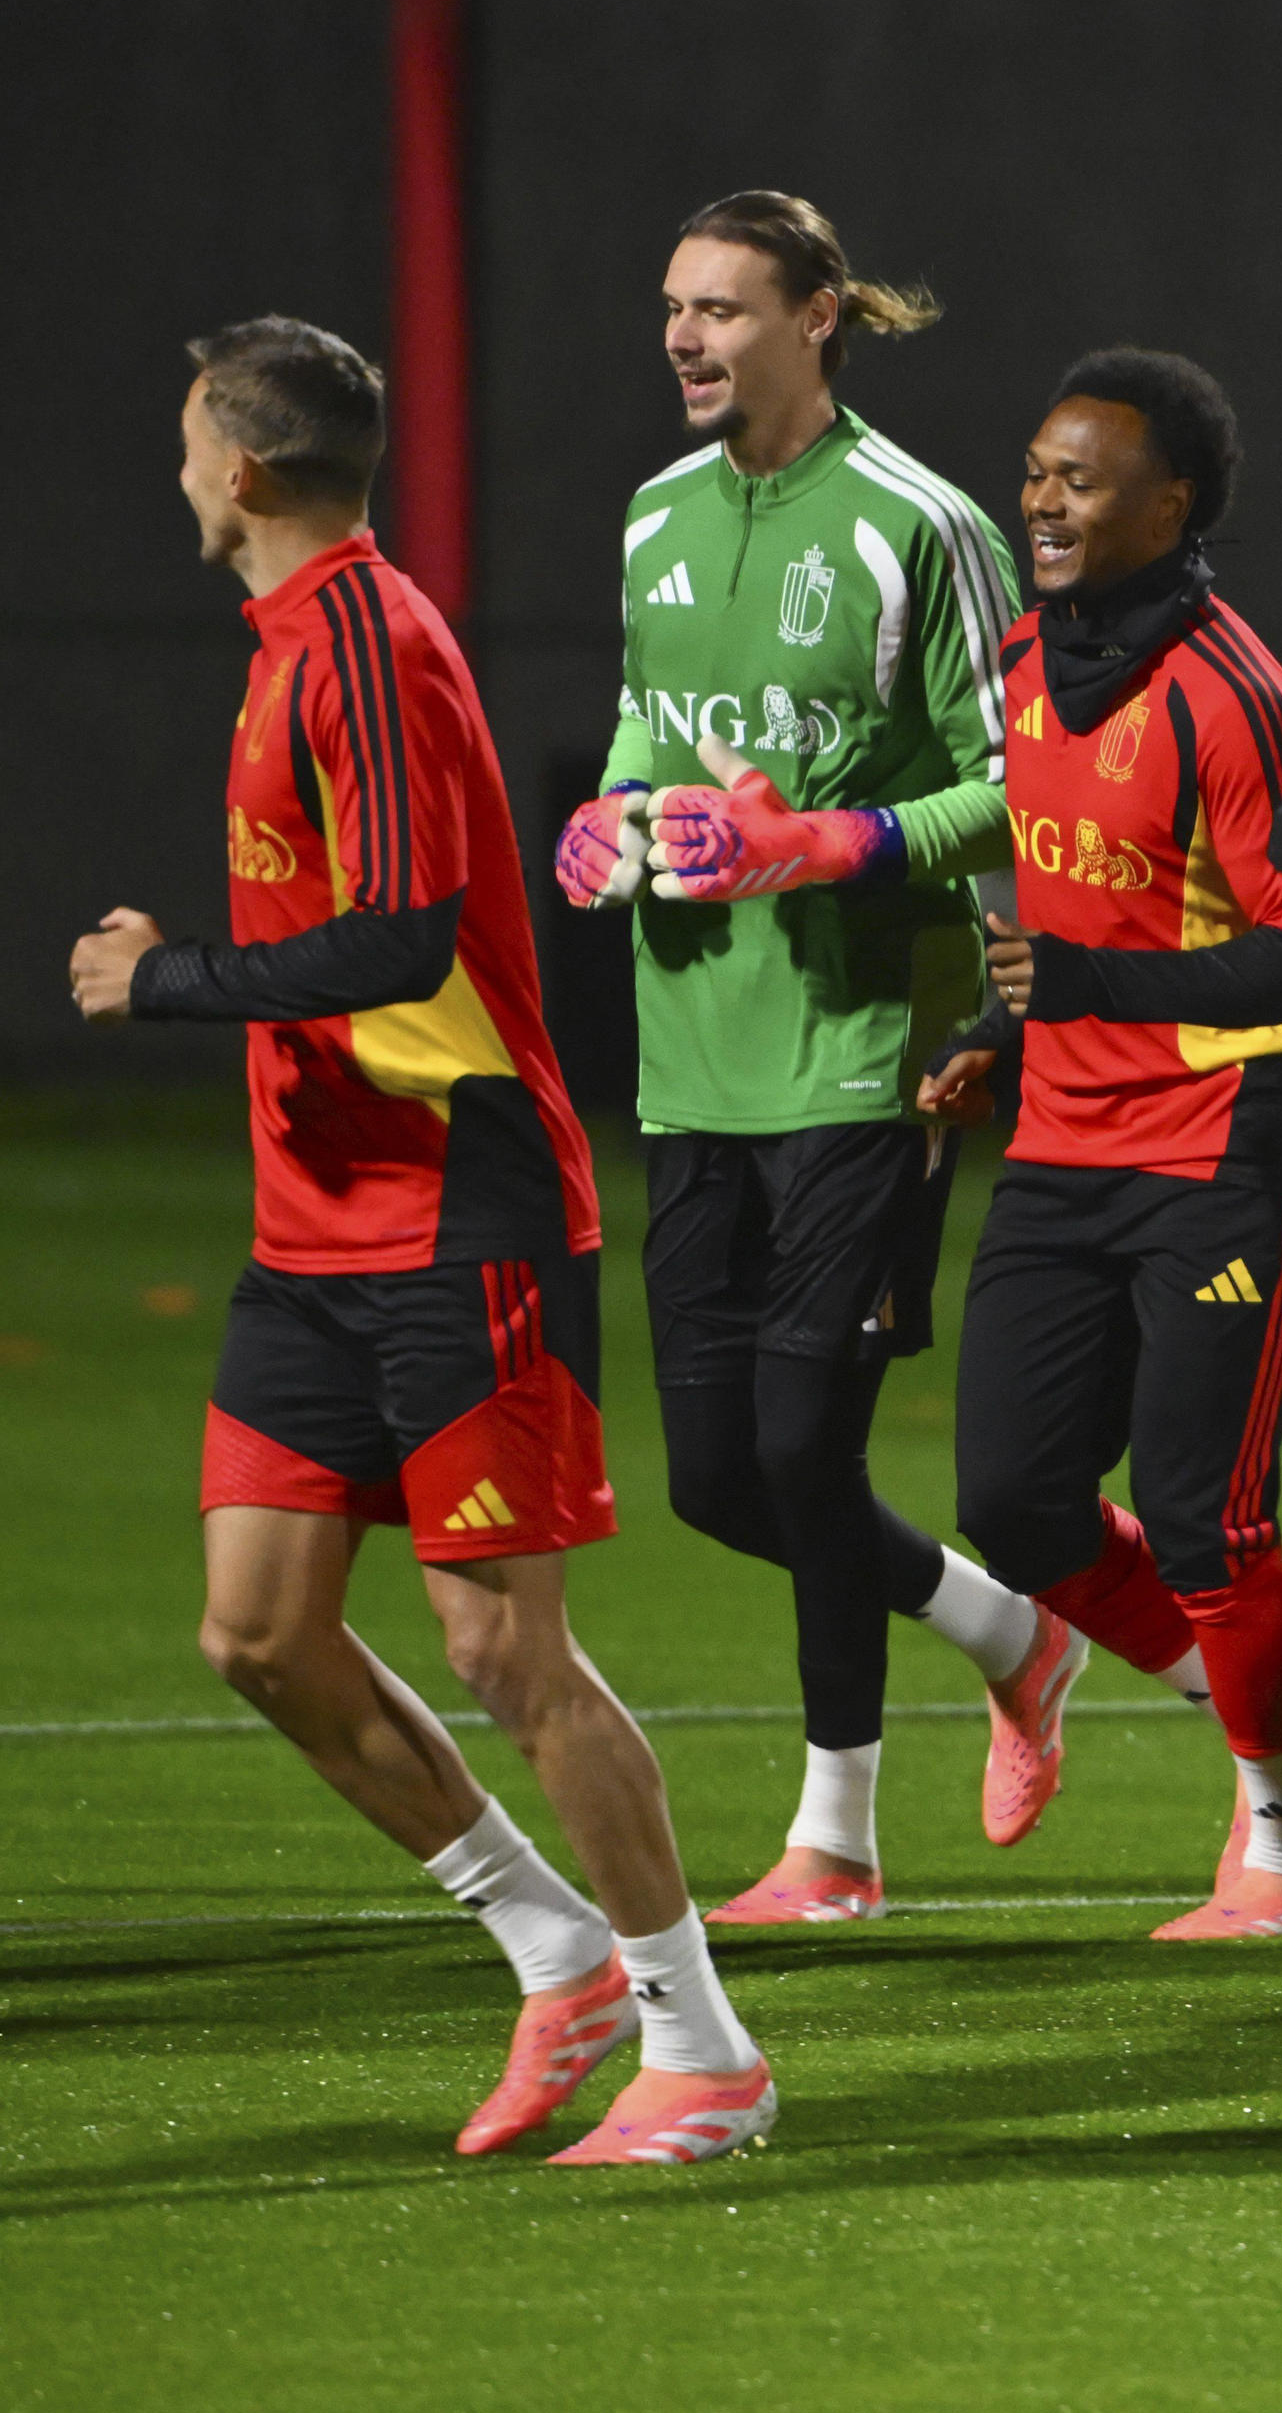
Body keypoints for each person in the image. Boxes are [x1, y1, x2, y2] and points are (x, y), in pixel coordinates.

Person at [77, 319, 771, 2162]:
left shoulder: (371, 645)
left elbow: (395, 938)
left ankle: (702, 2048)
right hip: (316, 1231)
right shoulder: (289, 644)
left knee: (504, 1652)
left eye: (182, 446)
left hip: (458, 1213)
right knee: (256, 1632)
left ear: (241, 471)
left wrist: (169, 984)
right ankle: (550, 1948)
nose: (173, 477)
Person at [549, 190, 1080, 1925]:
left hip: (869, 1051)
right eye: (671, 307)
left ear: (819, 314)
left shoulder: (919, 527)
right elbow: (654, 719)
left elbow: (1020, 781)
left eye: (721, 308)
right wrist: (613, 813)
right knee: (710, 1473)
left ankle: (834, 1844)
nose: (685, 339)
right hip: (692, 1046)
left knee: (800, 1449)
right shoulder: (651, 516)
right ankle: (1009, 1629)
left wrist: (832, 846)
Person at [924, 350, 1282, 1941]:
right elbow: (1070, 911)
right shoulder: (1034, 666)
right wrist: (996, 1034)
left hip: (1223, 1142)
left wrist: (1088, 989)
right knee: (1020, 1505)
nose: (1042, 501)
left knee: (1204, 1519)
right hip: (1063, 1139)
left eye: (1081, 479)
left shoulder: (1235, 693)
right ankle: (1278, 1715)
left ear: (1169, 507)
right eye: (1035, 471)